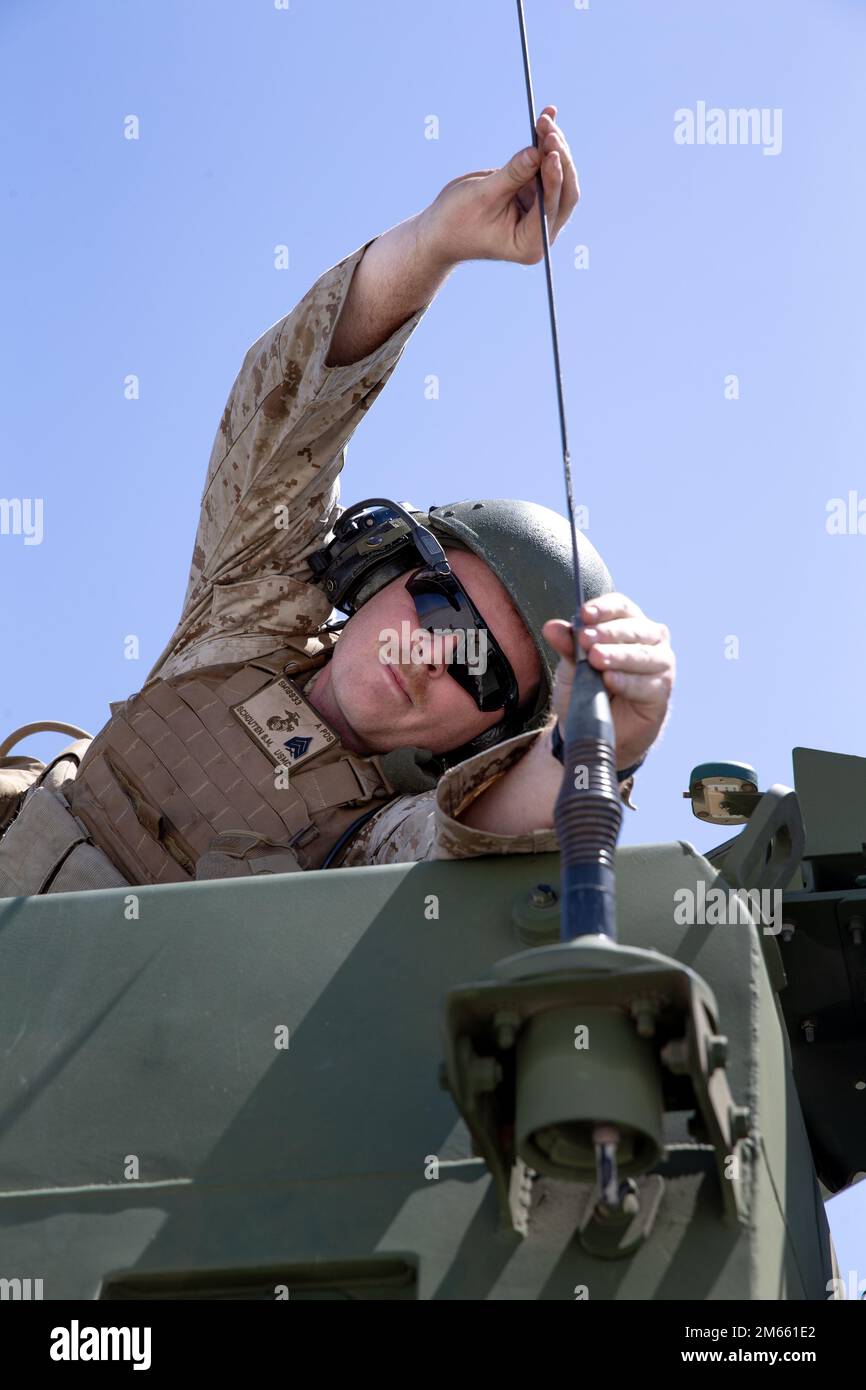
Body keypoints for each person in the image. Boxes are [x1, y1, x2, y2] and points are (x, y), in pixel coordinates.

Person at [0, 106, 675, 895]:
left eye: (481, 673)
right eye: (440, 609)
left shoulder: (373, 850)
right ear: (382, 568)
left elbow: (476, 832)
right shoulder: (245, 622)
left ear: (484, 736)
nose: (433, 657)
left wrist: (599, 745)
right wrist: (433, 244)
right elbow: (288, 416)